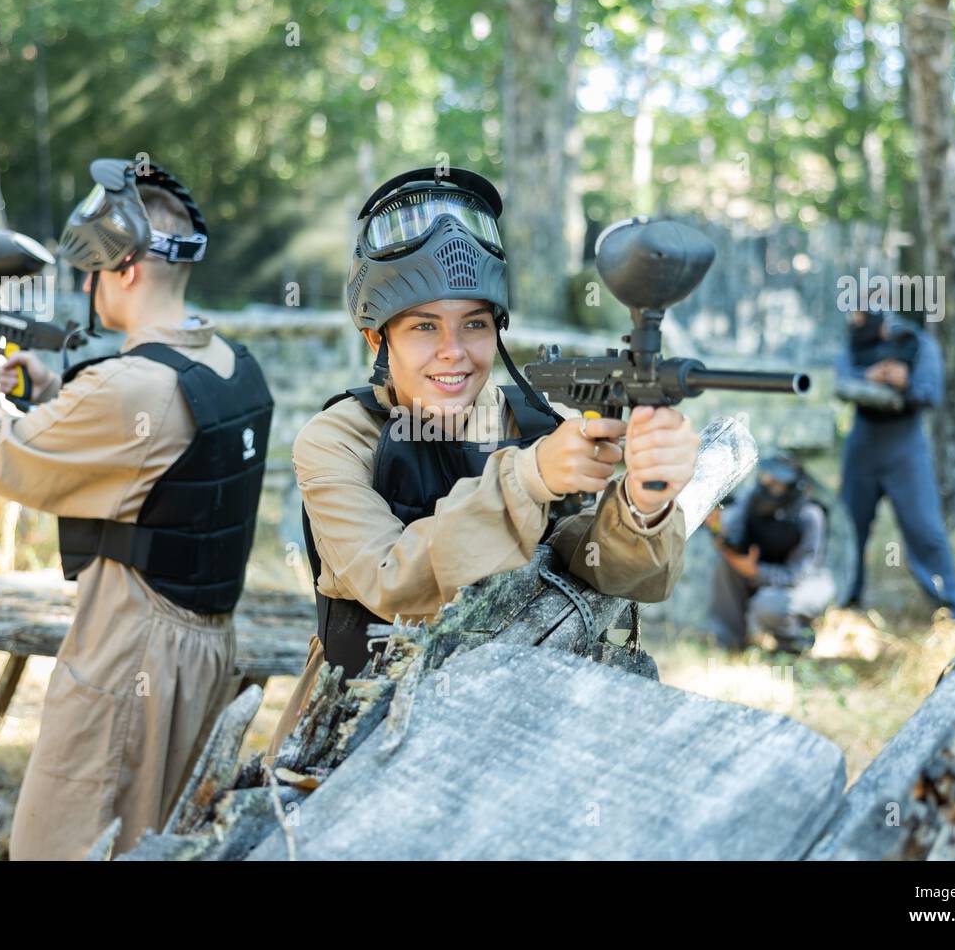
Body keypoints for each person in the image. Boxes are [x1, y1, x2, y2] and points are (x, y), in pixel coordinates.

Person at [265, 167, 700, 760]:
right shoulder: (337, 438)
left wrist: (644, 502)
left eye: (474, 323)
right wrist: (530, 476)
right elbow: (393, 583)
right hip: (363, 735)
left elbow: (610, 572)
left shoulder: (530, 421)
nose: (454, 351)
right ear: (377, 339)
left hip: (521, 727)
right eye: (424, 326)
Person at [0, 157, 274, 859]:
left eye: (93, 271)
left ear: (126, 271)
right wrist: (56, 387)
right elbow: (155, 458)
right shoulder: (231, 364)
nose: (87, 287)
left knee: (70, 835)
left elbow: (3, 455)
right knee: (158, 838)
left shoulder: (131, 390)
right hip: (207, 648)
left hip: (133, 647)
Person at [836, 304, 955, 622]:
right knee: (849, 527)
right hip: (862, 447)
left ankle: (952, 609)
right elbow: (840, 379)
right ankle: (844, 598)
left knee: (925, 530)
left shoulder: (919, 344)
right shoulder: (855, 343)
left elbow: (929, 392)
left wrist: (902, 383)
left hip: (905, 449)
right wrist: (869, 377)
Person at [705, 454, 835, 654]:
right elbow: (734, 535)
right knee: (726, 566)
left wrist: (755, 572)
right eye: (766, 477)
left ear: (793, 486)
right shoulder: (752, 499)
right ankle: (729, 643)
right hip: (762, 571)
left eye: (776, 482)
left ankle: (795, 642)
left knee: (768, 604)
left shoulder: (809, 516)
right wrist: (719, 533)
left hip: (805, 583)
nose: (767, 483)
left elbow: (795, 575)